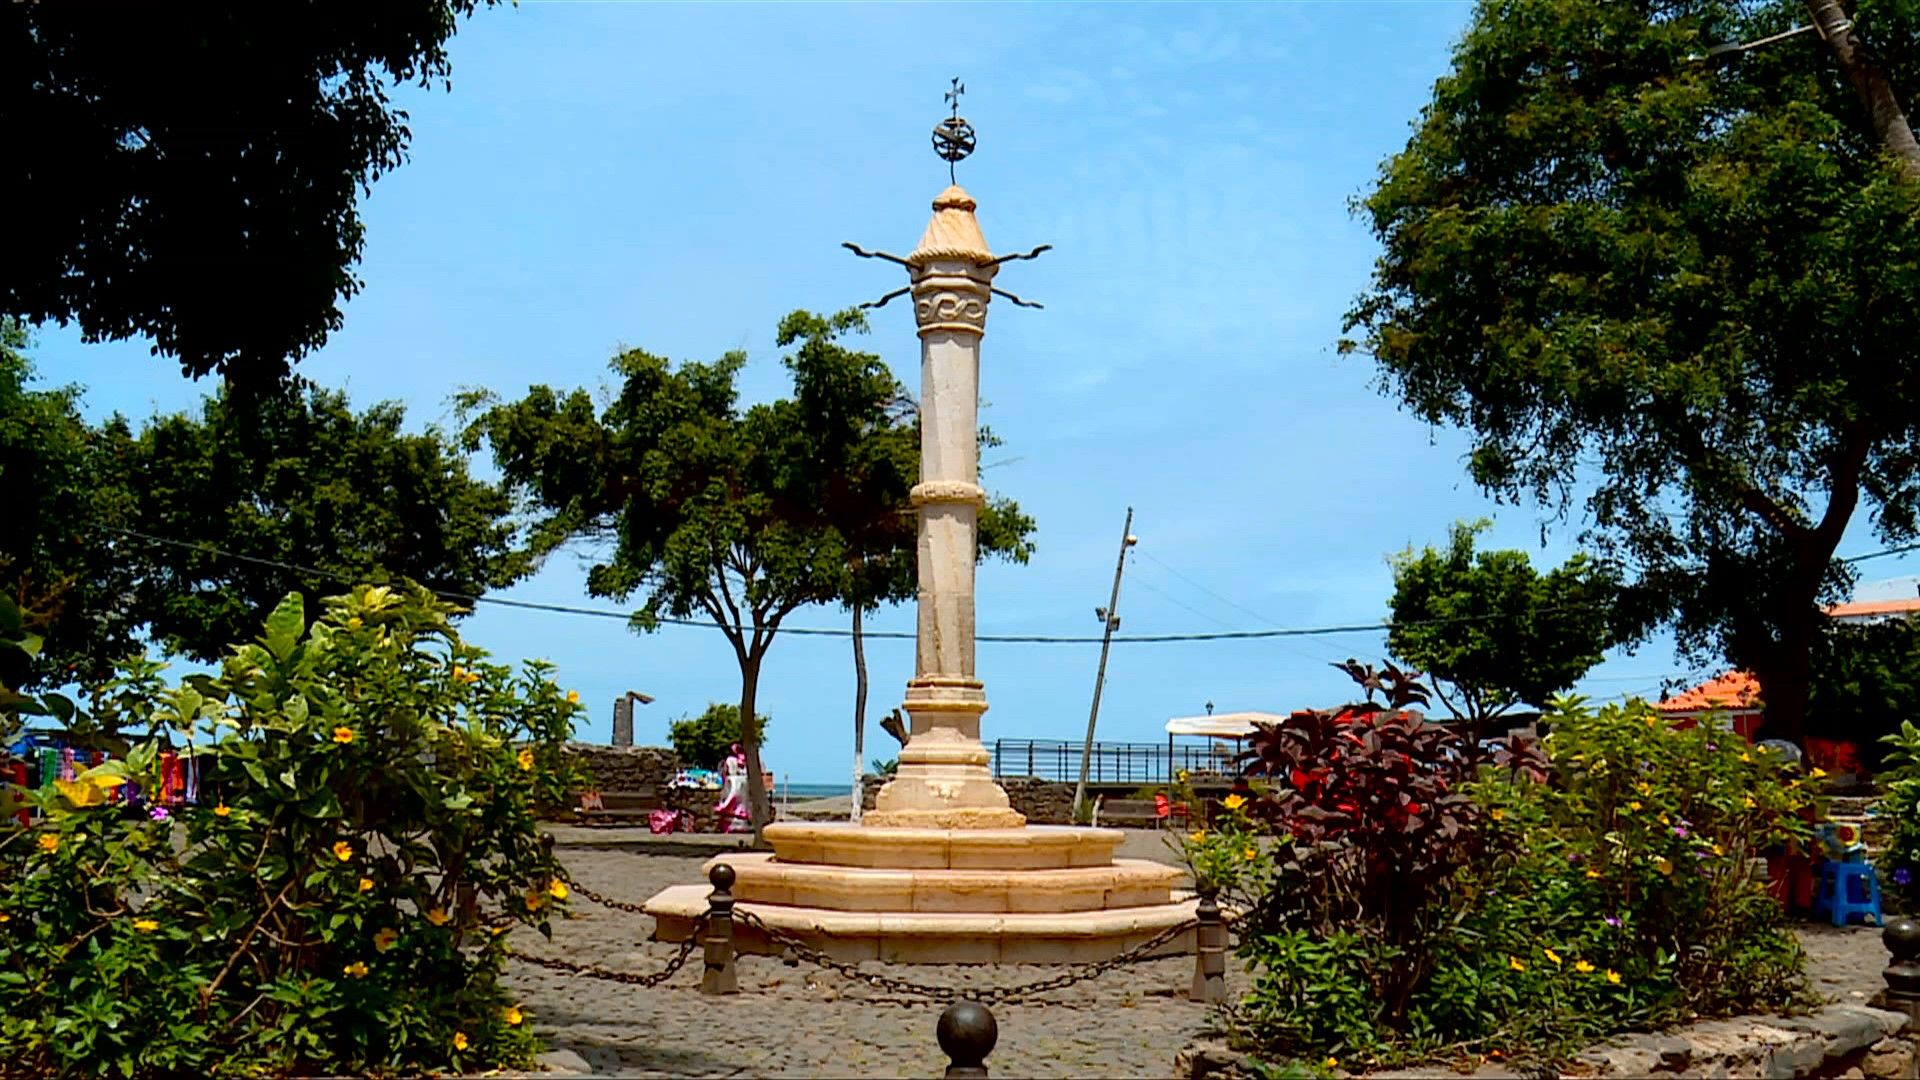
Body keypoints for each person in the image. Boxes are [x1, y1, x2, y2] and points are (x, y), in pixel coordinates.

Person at [714, 743, 750, 834]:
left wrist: (724, 805)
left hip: (735, 780)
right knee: (741, 802)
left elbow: (733, 795)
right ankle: (738, 824)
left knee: (736, 798)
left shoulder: (731, 760)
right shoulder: (744, 760)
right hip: (743, 781)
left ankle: (732, 824)